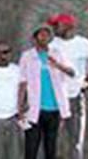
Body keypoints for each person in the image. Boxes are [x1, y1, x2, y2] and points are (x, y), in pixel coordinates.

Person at [17, 23, 74, 159]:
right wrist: (19, 107)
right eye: (41, 34)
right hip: (34, 109)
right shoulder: (27, 56)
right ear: (35, 38)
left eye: (47, 34)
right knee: (31, 148)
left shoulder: (57, 53)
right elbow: (22, 82)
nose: (44, 37)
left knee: (51, 148)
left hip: (54, 109)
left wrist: (57, 64)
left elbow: (72, 72)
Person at [49, 14, 88, 159]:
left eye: (58, 25)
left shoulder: (83, 44)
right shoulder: (51, 44)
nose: (54, 28)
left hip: (74, 96)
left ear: (69, 26)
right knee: (51, 139)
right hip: (53, 97)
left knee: (75, 140)